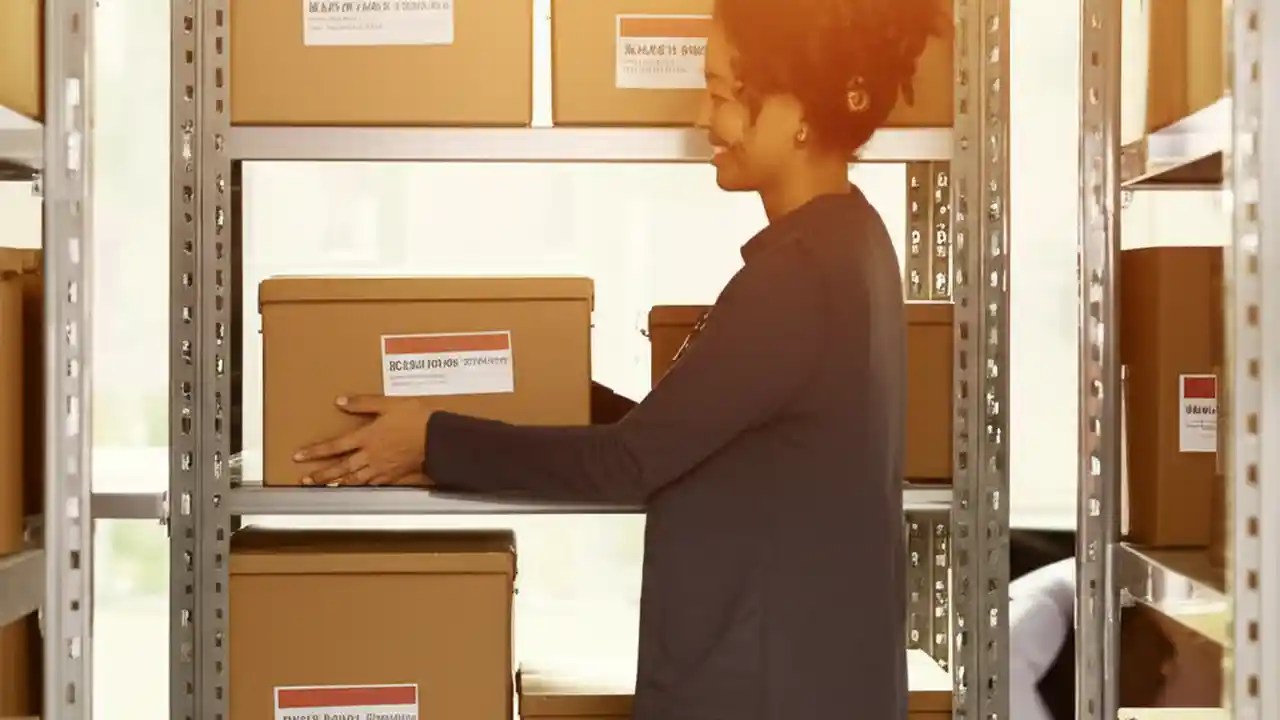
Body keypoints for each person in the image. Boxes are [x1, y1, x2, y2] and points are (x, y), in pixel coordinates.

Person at [292, 1, 943, 717]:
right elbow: (699, 441)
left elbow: (632, 462)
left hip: (764, 693)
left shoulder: (797, 279)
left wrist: (432, 440)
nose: (704, 118)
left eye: (726, 95)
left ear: (798, 114)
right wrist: (543, 383)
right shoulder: (853, 243)